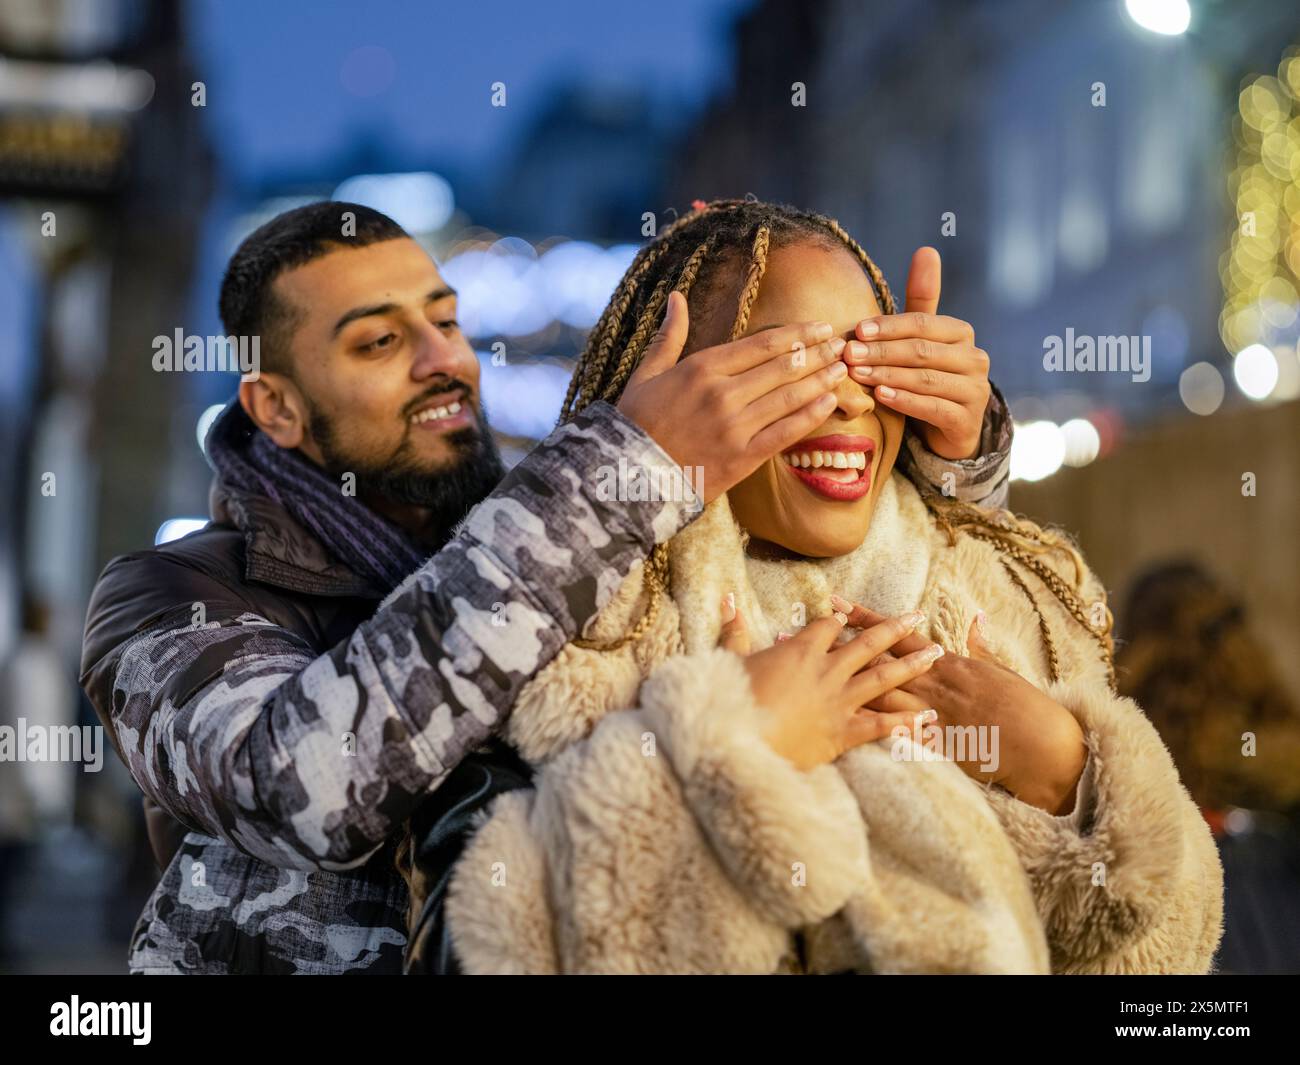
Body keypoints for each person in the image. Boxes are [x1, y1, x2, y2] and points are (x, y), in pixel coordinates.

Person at [78, 201, 1006, 974]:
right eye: (378, 342)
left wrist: (950, 449)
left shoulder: (560, 530)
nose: (445, 361)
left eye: (445, 319)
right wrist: (626, 473)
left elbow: (805, 547)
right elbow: (299, 792)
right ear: (274, 406)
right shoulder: (168, 593)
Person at [408, 199, 1225, 975]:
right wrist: (728, 758)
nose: (844, 399)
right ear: (674, 389)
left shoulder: (1015, 591)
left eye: (867, 358)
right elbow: (490, 944)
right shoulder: (574, 636)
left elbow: (1176, 962)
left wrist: (1068, 770)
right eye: (785, 366)